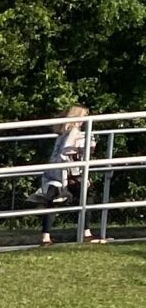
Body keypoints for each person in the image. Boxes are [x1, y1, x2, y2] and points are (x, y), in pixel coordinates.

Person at [36, 103, 92, 245]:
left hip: (52, 174)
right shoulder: (74, 131)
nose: (85, 120)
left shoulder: (63, 132)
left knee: (53, 203)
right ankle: (86, 232)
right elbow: (66, 151)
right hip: (64, 174)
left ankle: (45, 237)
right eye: (84, 116)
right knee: (87, 196)